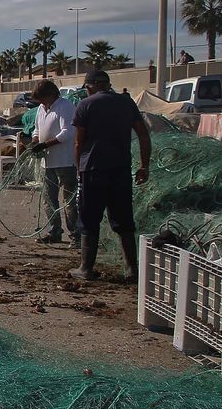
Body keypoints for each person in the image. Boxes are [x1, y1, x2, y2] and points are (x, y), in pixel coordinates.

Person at [70, 69, 152, 281]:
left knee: (89, 219)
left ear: (90, 86)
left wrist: (78, 169)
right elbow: (143, 134)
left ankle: (85, 268)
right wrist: (144, 165)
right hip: (121, 169)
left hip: (93, 170)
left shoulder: (85, 105)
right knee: (124, 219)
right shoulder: (127, 103)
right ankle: (132, 269)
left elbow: (79, 142)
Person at [29, 80, 79, 248]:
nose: (41, 102)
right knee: (48, 199)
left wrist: (46, 144)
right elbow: (36, 129)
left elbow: (68, 132)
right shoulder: (41, 109)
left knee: (69, 200)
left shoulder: (65, 107)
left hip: (65, 161)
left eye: (42, 98)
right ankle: (54, 231)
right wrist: (36, 140)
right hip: (47, 162)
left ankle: (76, 235)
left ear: (51, 94)